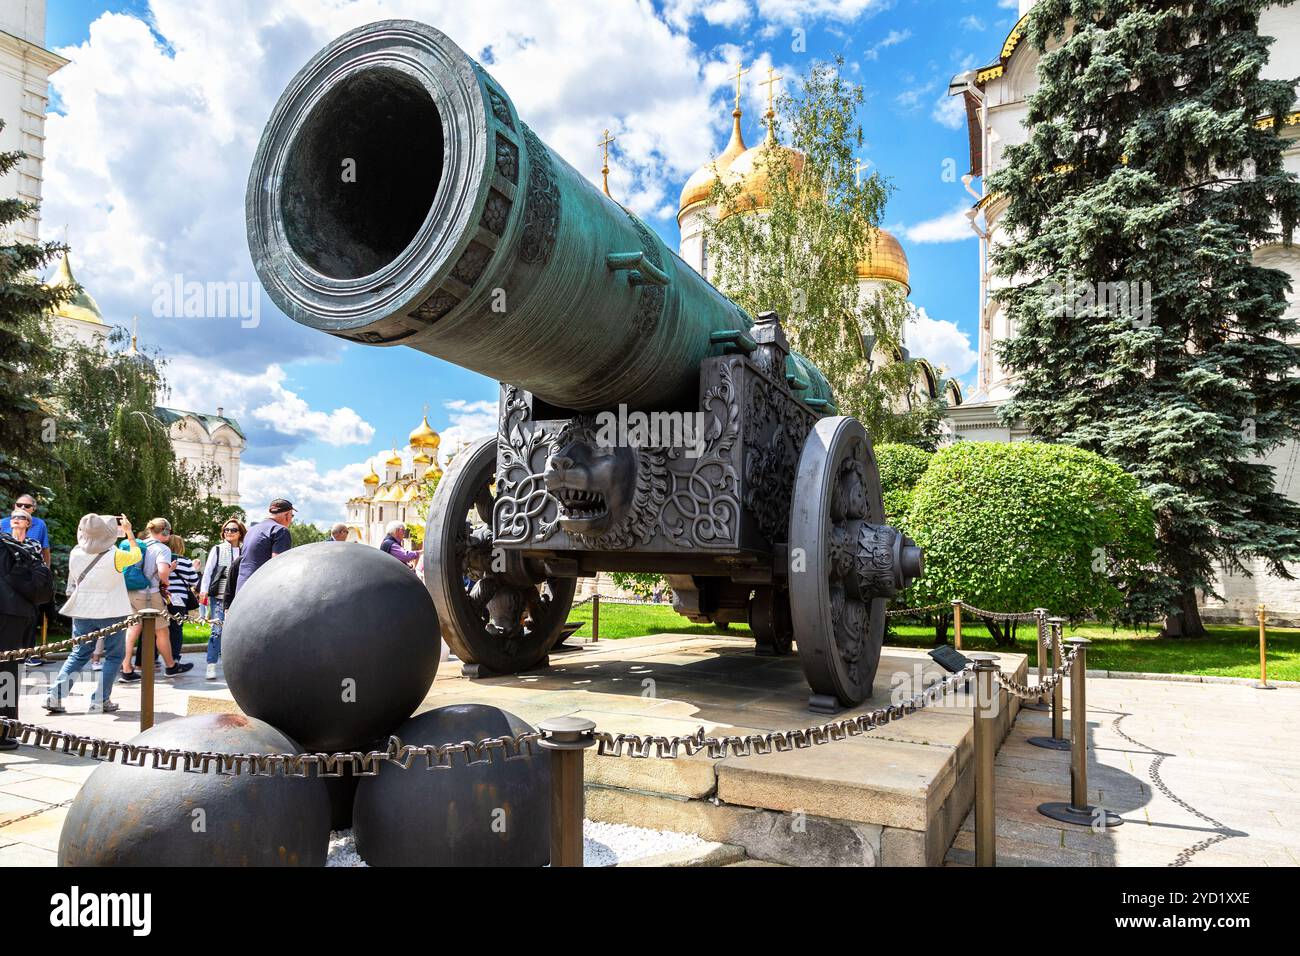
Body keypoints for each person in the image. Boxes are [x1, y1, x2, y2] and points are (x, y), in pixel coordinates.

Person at [44, 515, 143, 714]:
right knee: (115, 656)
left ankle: (55, 696)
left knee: (78, 653)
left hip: (82, 609)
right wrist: (130, 533)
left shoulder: (75, 552)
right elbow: (136, 554)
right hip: (111, 610)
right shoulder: (115, 555)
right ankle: (100, 699)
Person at [119, 518, 191, 681]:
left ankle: (126, 668)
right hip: (150, 595)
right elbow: (162, 572)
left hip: (132, 592)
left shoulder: (140, 544)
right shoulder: (162, 549)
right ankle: (171, 666)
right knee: (162, 632)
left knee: (132, 631)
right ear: (165, 531)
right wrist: (167, 579)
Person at [0, 517, 40, 745]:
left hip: (9, 613)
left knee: (7, 673)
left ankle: (4, 733)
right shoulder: (8, 543)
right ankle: (5, 732)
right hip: (14, 614)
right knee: (7, 674)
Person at [2, 494, 51, 666]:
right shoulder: (3, 542)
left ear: (29, 523)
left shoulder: (33, 545)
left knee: (25, 630)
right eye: (15, 515)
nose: (18, 516)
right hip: (7, 596)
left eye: (23, 515)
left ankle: (28, 655)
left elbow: (41, 563)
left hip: (27, 593)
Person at [200, 517, 244, 680]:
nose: (229, 532)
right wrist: (204, 590)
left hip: (238, 596)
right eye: (226, 530)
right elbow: (209, 571)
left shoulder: (244, 550)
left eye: (233, 530)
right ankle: (211, 664)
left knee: (236, 631)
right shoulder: (217, 549)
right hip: (219, 595)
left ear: (240, 533)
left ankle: (233, 664)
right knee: (217, 630)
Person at [233, 499, 294, 597]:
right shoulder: (281, 530)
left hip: (241, 590)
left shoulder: (251, 530)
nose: (291, 520)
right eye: (292, 516)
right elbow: (279, 564)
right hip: (260, 592)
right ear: (287, 515)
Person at [165, 534, 200, 670]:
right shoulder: (184, 561)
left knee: (160, 629)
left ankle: (154, 658)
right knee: (176, 629)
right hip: (178, 598)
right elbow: (194, 581)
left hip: (162, 596)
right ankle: (174, 659)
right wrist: (194, 569)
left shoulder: (162, 559)